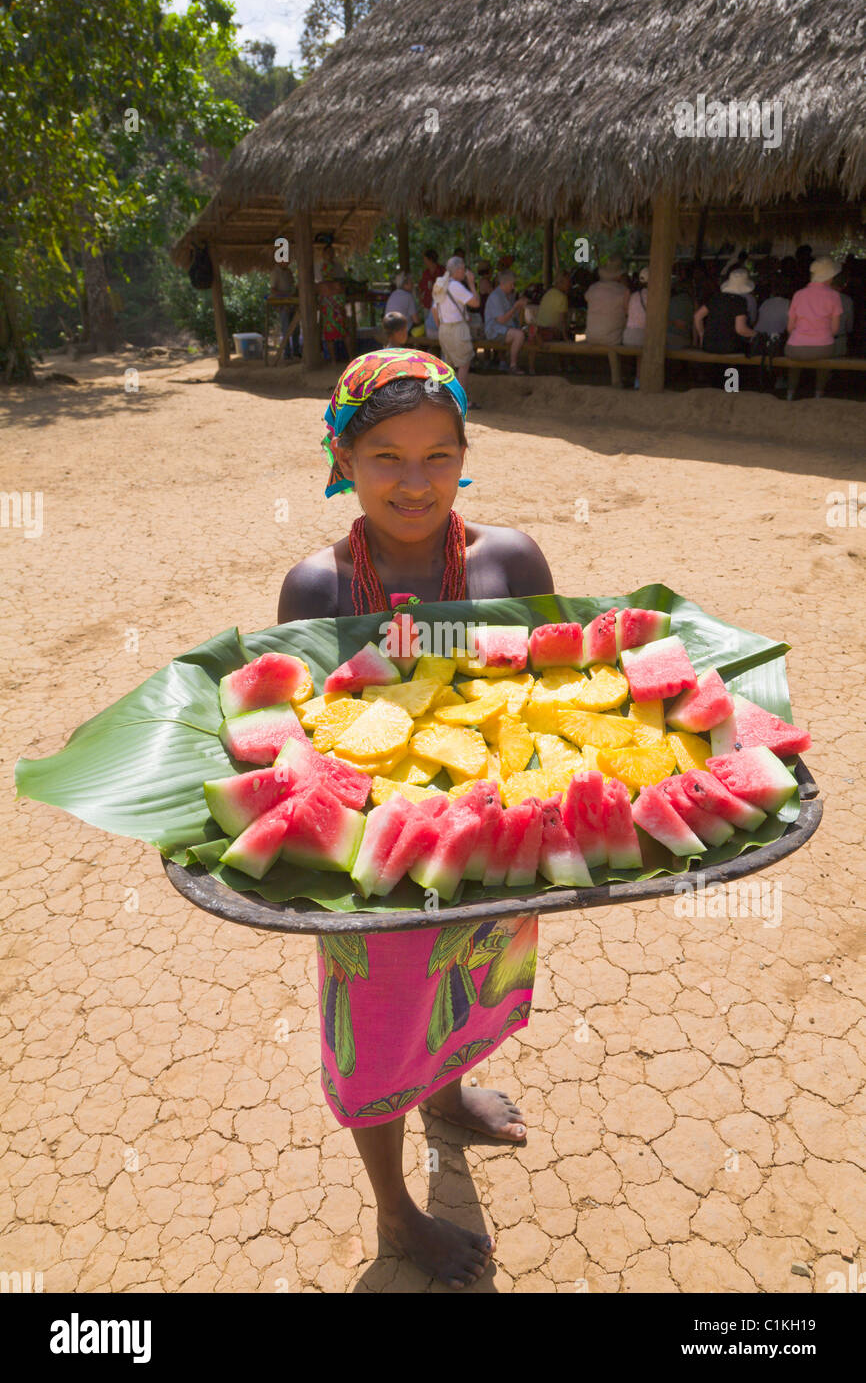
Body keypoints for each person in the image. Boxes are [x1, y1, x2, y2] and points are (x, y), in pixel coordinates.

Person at [276, 347, 553, 1289]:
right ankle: (395, 1211)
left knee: (470, 992)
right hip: (372, 876)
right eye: (385, 455)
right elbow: (303, 743)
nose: (413, 480)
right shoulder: (315, 589)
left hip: (491, 847)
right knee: (379, 1032)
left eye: (440, 454)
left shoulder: (508, 560)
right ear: (341, 461)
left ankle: (451, 1092)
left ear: (466, 455)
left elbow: (556, 703)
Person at [785, 255, 843, 399]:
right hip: (822, 347)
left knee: (794, 364)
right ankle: (818, 394)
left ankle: (790, 393)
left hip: (795, 348)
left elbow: (790, 328)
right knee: (824, 363)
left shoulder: (798, 294)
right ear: (830, 277)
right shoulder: (834, 295)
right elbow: (835, 330)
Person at [432, 255, 481, 402]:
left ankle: (446, 399)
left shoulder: (441, 284)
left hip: (444, 329)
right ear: (459, 270)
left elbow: (434, 310)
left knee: (448, 365)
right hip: (457, 329)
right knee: (464, 364)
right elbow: (476, 303)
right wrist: (472, 283)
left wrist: (440, 326)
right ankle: (461, 400)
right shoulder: (456, 286)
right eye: (464, 269)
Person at [693, 267, 755, 354]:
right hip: (729, 347)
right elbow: (741, 329)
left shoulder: (716, 298)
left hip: (708, 346)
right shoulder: (739, 301)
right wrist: (757, 334)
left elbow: (697, 316)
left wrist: (702, 334)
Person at [483, 270, 528, 373]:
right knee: (519, 335)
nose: (513, 287)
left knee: (525, 332)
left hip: (504, 328)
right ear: (504, 284)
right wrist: (515, 306)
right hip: (494, 331)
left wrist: (519, 308)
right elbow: (501, 320)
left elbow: (513, 317)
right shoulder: (495, 296)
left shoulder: (506, 295)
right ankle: (513, 366)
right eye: (511, 284)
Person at [317, 244, 354, 363]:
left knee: (344, 331)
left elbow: (343, 283)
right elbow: (319, 285)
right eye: (328, 252)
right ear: (323, 254)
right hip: (328, 305)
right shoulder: (319, 267)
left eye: (332, 252)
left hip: (337, 304)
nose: (330, 255)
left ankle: (350, 357)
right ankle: (333, 360)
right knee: (329, 335)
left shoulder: (338, 266)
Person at [584, 256, 629, 346]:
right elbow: (628, 313)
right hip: (613, 340)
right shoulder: (624, 291)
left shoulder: (592, 289)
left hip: (591, 337)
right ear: (620, 275)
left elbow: (587, 298)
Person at [269, 258, 297, 359]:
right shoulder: (275, 272)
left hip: (292, 303)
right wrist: (286, 295)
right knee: (286, 328)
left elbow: (292, 285)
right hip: (283, 304)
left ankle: (296, 351)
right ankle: (287, 353)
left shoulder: (288, 271)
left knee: (295, 328)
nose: (288, 262)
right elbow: (273, 290)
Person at [536, 269, 571, 340]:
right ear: (561, 282)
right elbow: (562, 322)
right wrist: (566, 339)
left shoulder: (548, 293)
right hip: (550, 333)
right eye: (568, 282)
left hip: (539, 330)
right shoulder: (562, 297)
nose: (570, 285)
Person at [418, 248, 445, 338]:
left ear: (430, 259)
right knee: (429, 330)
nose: (424, 261)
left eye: (425, 259)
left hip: (439, 304)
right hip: (427, 304)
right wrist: (421, 300)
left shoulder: (442, 271)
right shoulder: (425, 273)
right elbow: (421, 288)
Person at [622, 266, 649, 347]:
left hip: (628, 336)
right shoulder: (652, 296)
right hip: (643, 336)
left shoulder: (632, 295)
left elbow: (626, 312)